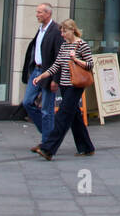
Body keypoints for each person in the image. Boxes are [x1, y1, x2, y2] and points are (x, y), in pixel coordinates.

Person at [31, 20, 94, 160]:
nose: (62, 34)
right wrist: (41, 76)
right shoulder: (64, 45)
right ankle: (87, 147)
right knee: (75, 117)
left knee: (62, 116)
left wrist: (75, 59)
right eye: (61, 31)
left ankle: (48, 149)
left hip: (76, 86)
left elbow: (90, 64)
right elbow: (56, 65)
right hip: (64, 85)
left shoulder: (82, 45)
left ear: (72, 30)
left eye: (64, 31)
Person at [21, 3, 62, 138]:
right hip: (36, 71)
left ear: (48, 14)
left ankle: (47, 142)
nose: (37, 15)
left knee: (47, 109)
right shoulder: (41, 29)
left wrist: (55, 79)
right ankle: (48, 133)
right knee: (27, 102)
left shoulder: (56, 30)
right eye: (37, 12)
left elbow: (58, 56)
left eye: (40, 12)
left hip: (48, 73)